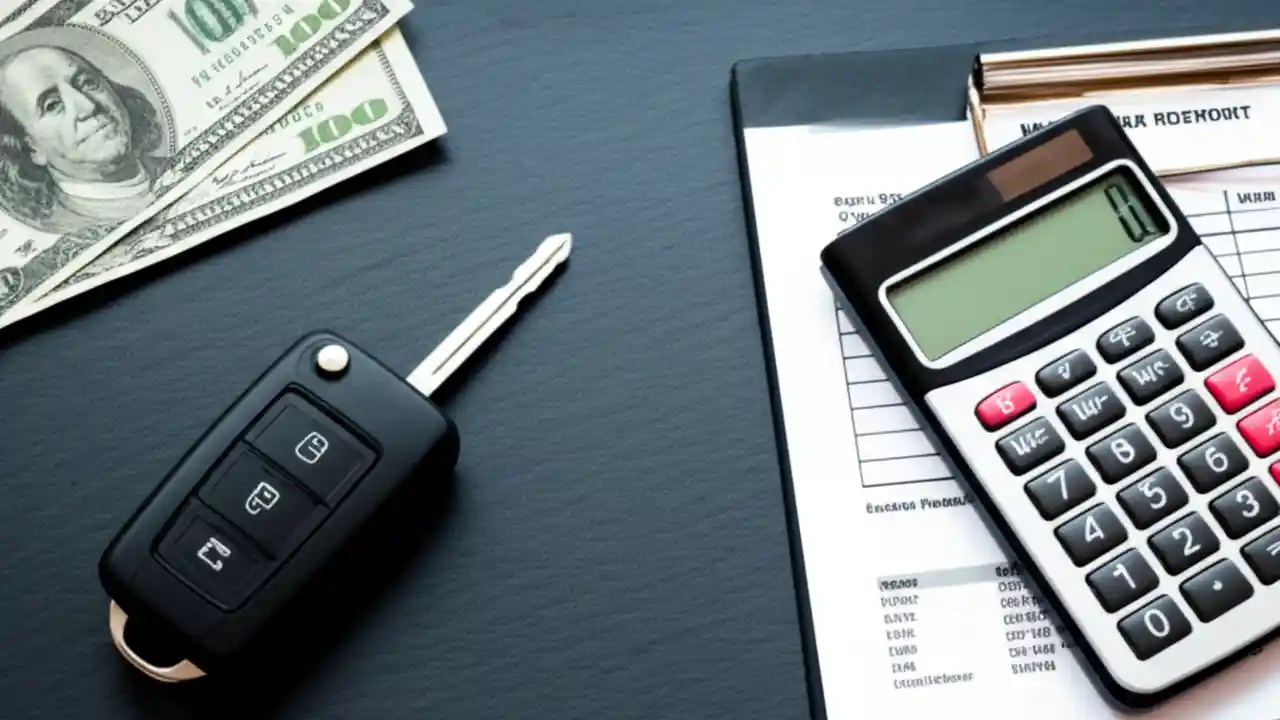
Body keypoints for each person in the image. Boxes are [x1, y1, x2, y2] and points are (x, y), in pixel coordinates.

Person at [0, 45, 167, 233]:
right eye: (53, 105)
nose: (88, 106)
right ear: (32, 149)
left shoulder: (174, 166)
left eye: (87, 83)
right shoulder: (62, 232)